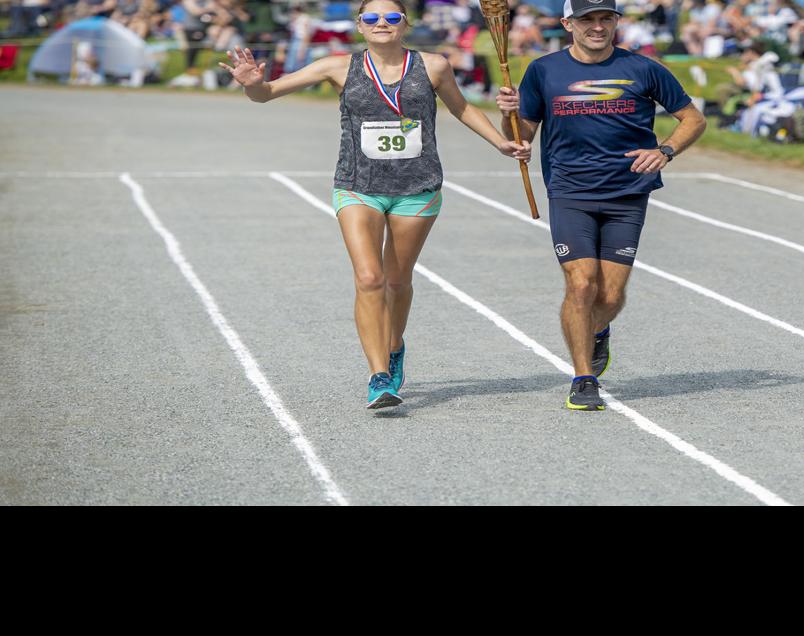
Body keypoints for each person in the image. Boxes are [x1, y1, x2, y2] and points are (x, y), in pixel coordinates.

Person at [225, 0, 531, 409]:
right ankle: (379, 376)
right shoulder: (337, 66)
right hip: (358, 186)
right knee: (369, 278)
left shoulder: (433, 65)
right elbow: (266, 94)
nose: (381, 24)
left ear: (406, 24)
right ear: (359, 25)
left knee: (397, 281)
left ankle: (394, 345)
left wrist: (501, 143)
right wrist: (251, 83)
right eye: (372, 18)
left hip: (417, 187)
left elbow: (461, 108)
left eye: (391, 17)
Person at [495, 0, 706, 412]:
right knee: (581, 284)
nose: (597, 26)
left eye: (605, 18)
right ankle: (583, 377)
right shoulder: (544, 70)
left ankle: (597, 329)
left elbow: (693, 119)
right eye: (587, 19)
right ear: (567, 24)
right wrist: (510, 116)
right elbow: (524, 137)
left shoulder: (643, 69)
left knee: (610, 294)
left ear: (615, 23)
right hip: (570, 191)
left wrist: (664, 151)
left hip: (628, 192)